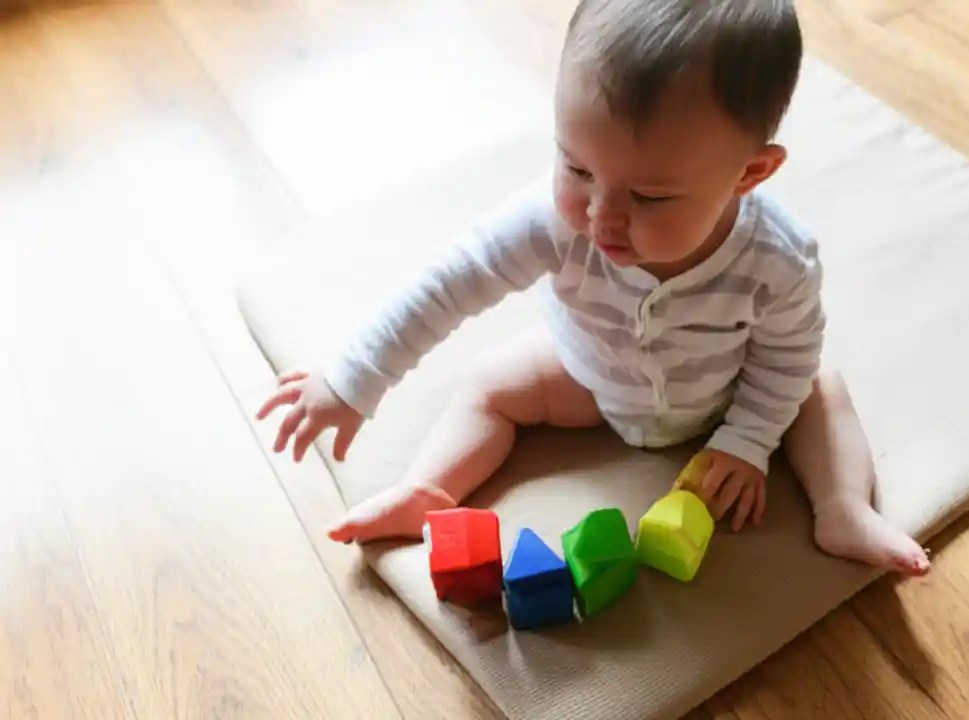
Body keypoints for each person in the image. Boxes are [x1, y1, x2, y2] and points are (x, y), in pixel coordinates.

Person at [257, 0, 930, 575]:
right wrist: (352, 381)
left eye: (649, 195)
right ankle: (428, 489)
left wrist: (748, 440)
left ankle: (842, 508)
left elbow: (786, 357)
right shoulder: (551, 222)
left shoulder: (777, 260)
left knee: (819, 387)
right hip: (591, 377)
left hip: (728, 388)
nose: (600, 216)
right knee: (492, 385)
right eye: (575, 166)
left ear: (749, 173)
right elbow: (446, 285)